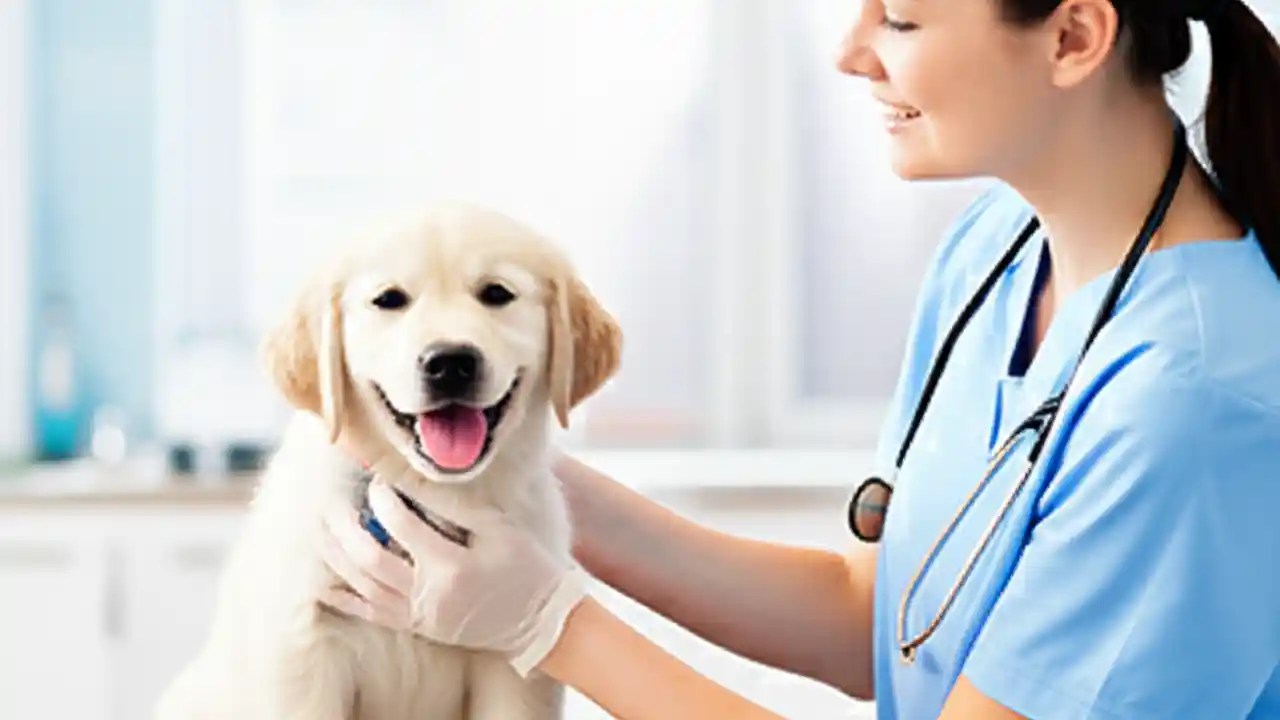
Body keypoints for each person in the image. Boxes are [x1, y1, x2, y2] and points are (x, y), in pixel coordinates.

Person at [319, 0, 1280, 717]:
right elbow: (880, 622)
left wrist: (549, 624)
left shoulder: (1195, 400)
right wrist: (528, 483)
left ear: (1074, 36)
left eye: (899, 19)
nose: (850, 51)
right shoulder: (995, 253)